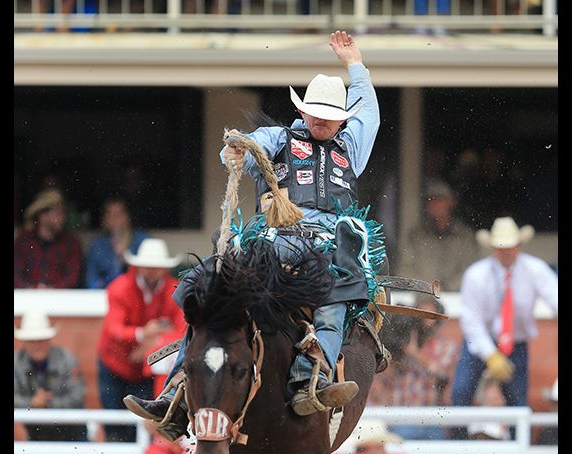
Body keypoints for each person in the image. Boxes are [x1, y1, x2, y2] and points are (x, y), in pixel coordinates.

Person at [126, 29, 383, 426]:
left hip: (332, 247)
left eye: (330, 116)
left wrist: (355, 65)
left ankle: (310, 382)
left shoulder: (351, 145)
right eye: (315, 112)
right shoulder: (277, 139)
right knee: (213, 290)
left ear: (341, 119)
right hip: (274, 240)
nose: (320, 120)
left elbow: (369, 110)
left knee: (336, 302)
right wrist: (235, 149)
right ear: (302, 111)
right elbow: (240, 151)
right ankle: (177, 390)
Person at [451, 216, 558, 437]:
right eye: (501, 248)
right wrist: (490, 354)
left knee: (517, 401)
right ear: (492, 248)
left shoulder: (535, 269)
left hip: (516, 343)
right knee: (461, 392)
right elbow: (471, 320)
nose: (506, 252)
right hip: (481, 342)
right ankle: (458, 453)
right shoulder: (476, 274)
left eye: (510, 247)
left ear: (519, 246)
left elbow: (555, 298)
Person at [97, 238, 185, 442]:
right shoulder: (119, 288)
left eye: (156, 267)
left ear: (164, 268)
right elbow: (112, 330)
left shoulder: (175, 291)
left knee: (142, 421)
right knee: (114, 426)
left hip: (148, 366)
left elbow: (183, 331)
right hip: (115, 366)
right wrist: (142, 335)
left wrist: (150, 345)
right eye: (147, 267)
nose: (152, 271)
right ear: (138, 267)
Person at [13, 309, 89, 454]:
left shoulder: (68, 360)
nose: (37, 344)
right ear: (24, 342)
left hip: (71, 431)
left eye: (40, 340)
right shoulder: (16, 363)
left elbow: (78, 397)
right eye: (32, 340)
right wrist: (32, 403)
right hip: (35, 434)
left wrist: (45, 403)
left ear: (48, 340)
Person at [378, 295, 459, 440]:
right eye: (420, 317)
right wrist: (394, 347)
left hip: (431, 417)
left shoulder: (445, 346)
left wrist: (414, 353)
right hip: (402, 416)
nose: (424, 323)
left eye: (429, 318)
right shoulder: (403, 341)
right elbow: (385, 377)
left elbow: (442, 372)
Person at [401, 179, 483, 293]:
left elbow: (471, 269)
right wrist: (426, 289)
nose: (435, 204)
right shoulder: (416, 236)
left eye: (440, 200)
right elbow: (405, 268)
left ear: (451, 202)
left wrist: (448, 288)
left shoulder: (465, 236)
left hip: (456, 300)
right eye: (431, 200)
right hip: (423, 301)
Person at [13, 189, 84, 289]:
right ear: (42, 215)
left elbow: (73, 278)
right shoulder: (23, 241)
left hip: (61, 300)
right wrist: (31, 289)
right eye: (58, 214)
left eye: (63, 214)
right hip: (27, 300)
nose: (62, 218)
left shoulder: (71, 243)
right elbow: (16, 275)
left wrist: (52, 289)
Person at [85, 197, 151, 290]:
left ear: (127, 216)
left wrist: (126, 257)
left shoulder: (142, 240)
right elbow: (91, 280)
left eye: (119, 214)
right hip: (105, 295)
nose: (115, 218)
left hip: (135, 296)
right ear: (104, 220)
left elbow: (150, 277)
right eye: (110, 215)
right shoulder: (97, 245)